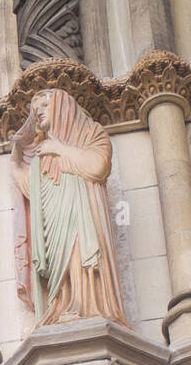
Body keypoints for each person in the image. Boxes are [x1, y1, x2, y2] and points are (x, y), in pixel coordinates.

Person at [11, 88, 129, 327]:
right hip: (54, 222)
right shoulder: (41, 152)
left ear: (62, 107)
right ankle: (63, 304)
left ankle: (89, 306)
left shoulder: (91, 134)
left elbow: (98, 167)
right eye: (35, 111)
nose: (38, 114)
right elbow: (34, 189)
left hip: (82, 215)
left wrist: (61, 149)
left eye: (44, 107)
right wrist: (15, 163)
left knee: (77, 251)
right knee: (60, 265)